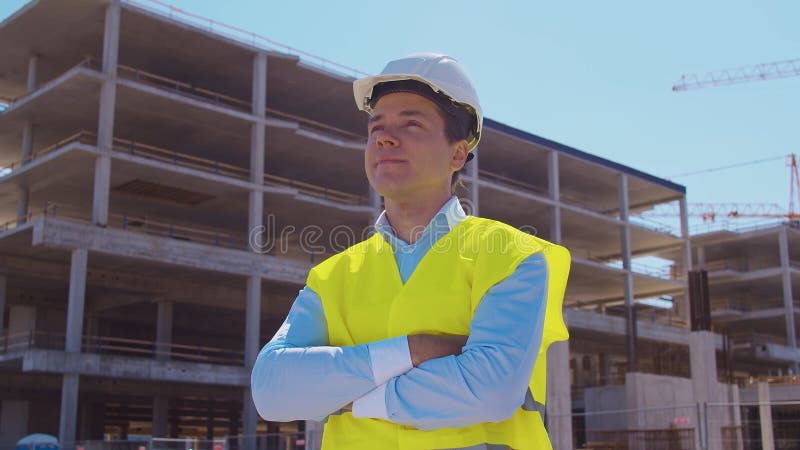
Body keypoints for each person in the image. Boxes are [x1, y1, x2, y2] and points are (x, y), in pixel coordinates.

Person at [251, 53, 570, 450]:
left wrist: (349, 397)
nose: (384, 137)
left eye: (411, 123)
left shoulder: (512, 257)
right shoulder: (333, 276)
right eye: (376, 128)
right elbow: (271, 390)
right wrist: (413, 350)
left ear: (458, 153)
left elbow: (488, 391)